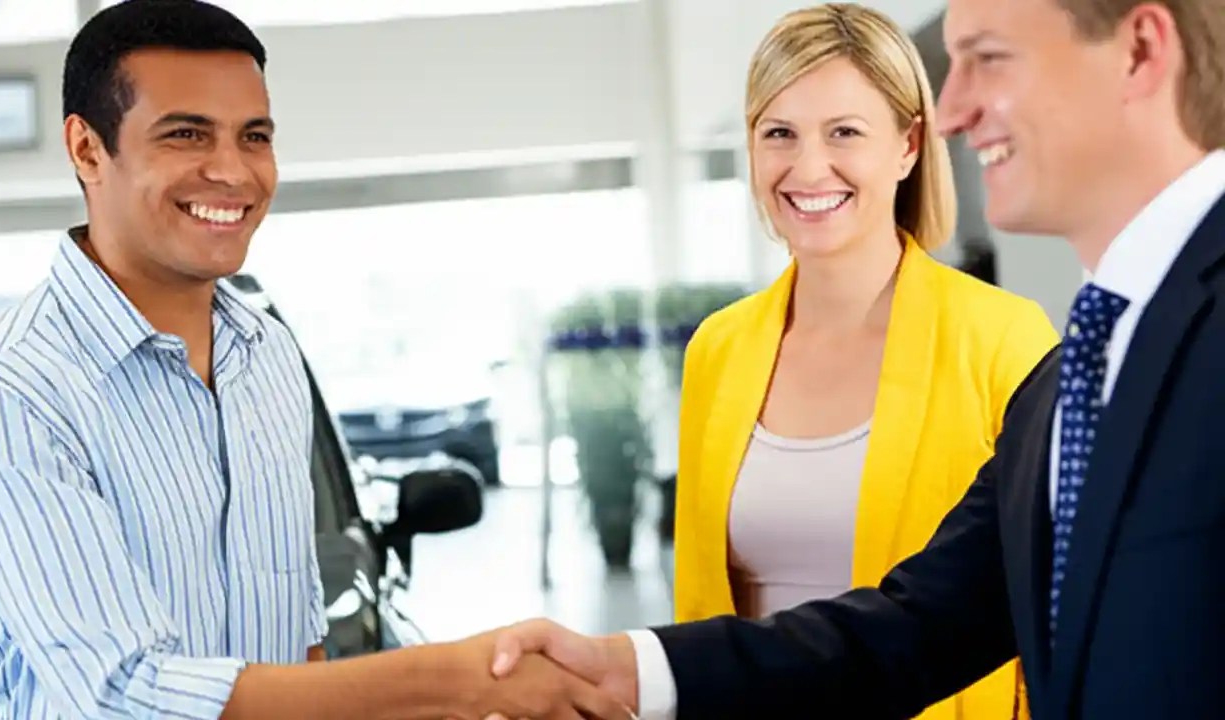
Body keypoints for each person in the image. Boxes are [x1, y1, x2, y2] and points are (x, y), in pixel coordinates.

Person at [487, 0, 1225, 717]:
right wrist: (636, 672)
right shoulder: (1085, 367)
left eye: (989, 58)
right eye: (778, 132)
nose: (954, 109)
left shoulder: (1022, 345)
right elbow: (920, 623)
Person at [0, 2, 631, 719]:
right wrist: (456, 681)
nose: (233, 172)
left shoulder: (266, 357)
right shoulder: (10, 389)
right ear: (88, 150)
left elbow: (298, 635)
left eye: (255, 136)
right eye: (186, 134)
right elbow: (124, 697)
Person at [668, 5, 1055, 719]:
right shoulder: (716, 353)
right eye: (778, 133)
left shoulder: (1004, 340)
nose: (808, 167)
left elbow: (1042, 612)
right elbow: (701, 611)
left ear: (909, 145)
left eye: (844, 131)